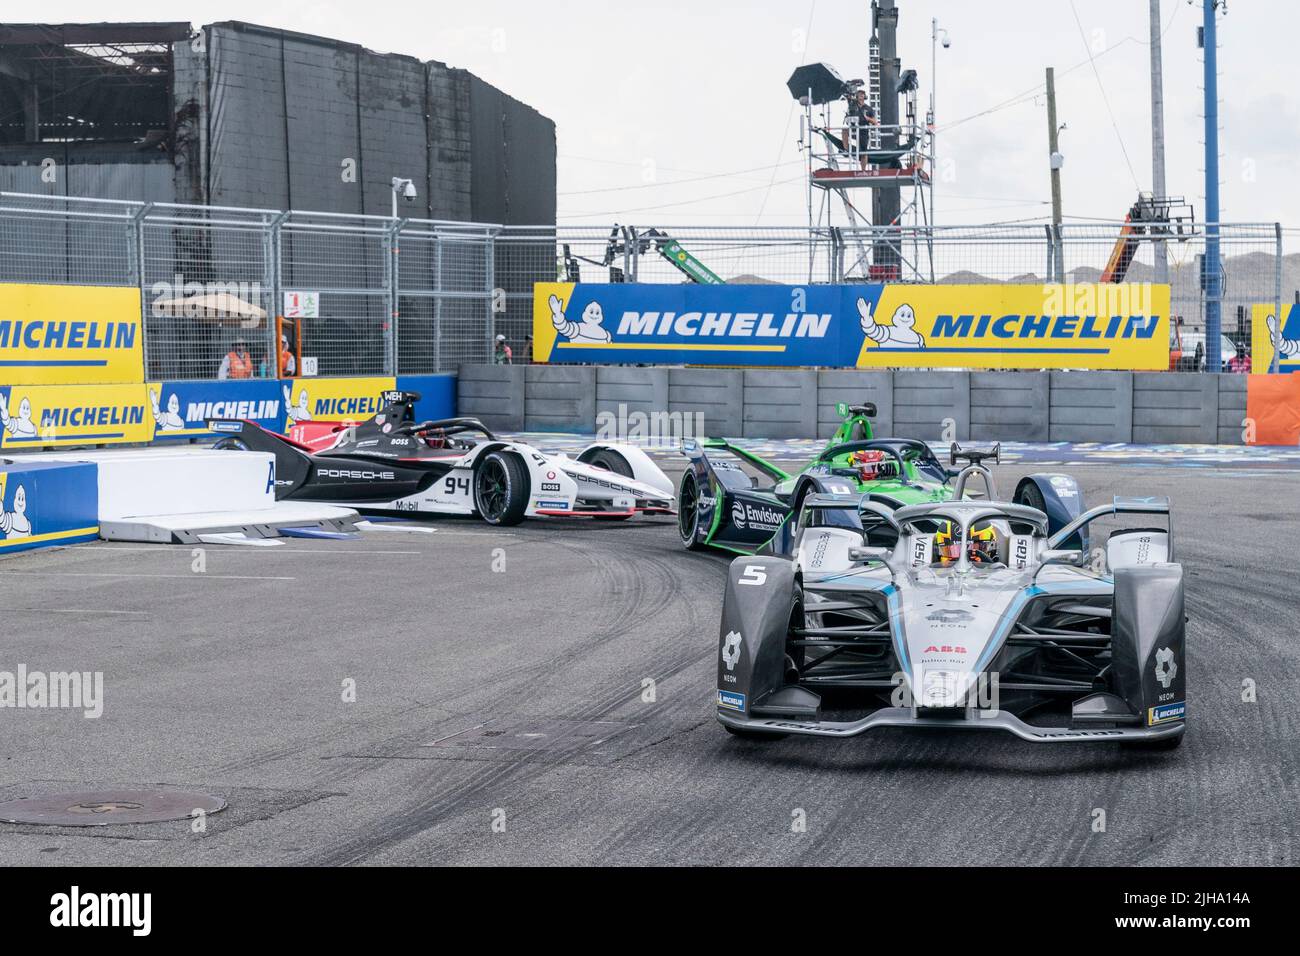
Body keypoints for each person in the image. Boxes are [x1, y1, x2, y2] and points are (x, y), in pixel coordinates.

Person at [844, 89, 879, 171]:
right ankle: (845, 149)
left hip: (863, 130)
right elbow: (848, 101)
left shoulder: (868, 108)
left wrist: (867, 118)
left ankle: (863, 170)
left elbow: (875, 122)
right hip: (854, 129)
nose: (860, 95)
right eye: (859, 94)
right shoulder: (853, 105)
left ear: (864, 96)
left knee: (864, 152)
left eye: (862, 94)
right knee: (844, 131)